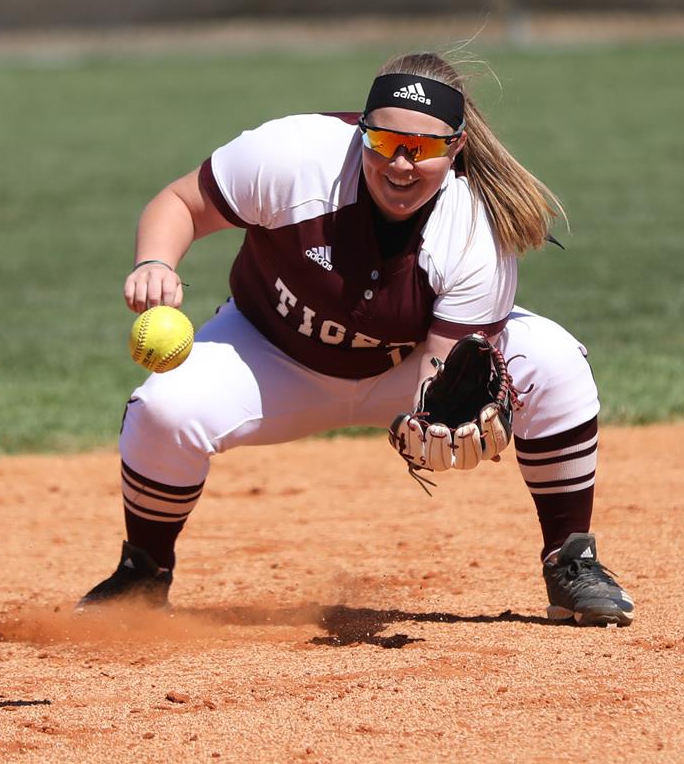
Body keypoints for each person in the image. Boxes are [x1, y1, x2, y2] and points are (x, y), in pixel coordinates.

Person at [80, 52, 633, 626]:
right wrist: (156, 262)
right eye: (384, 141)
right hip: (270, 350)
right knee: (162, 409)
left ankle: (573, 562)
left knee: (555, 361)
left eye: (422, 149)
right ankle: (142, 575)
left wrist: (436, 427)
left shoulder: (472, 228)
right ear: (360, 132)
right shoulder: (293, 156)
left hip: (403, 364)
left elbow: (438, 378)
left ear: (457, 147)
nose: (400, 163)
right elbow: (180, 204)